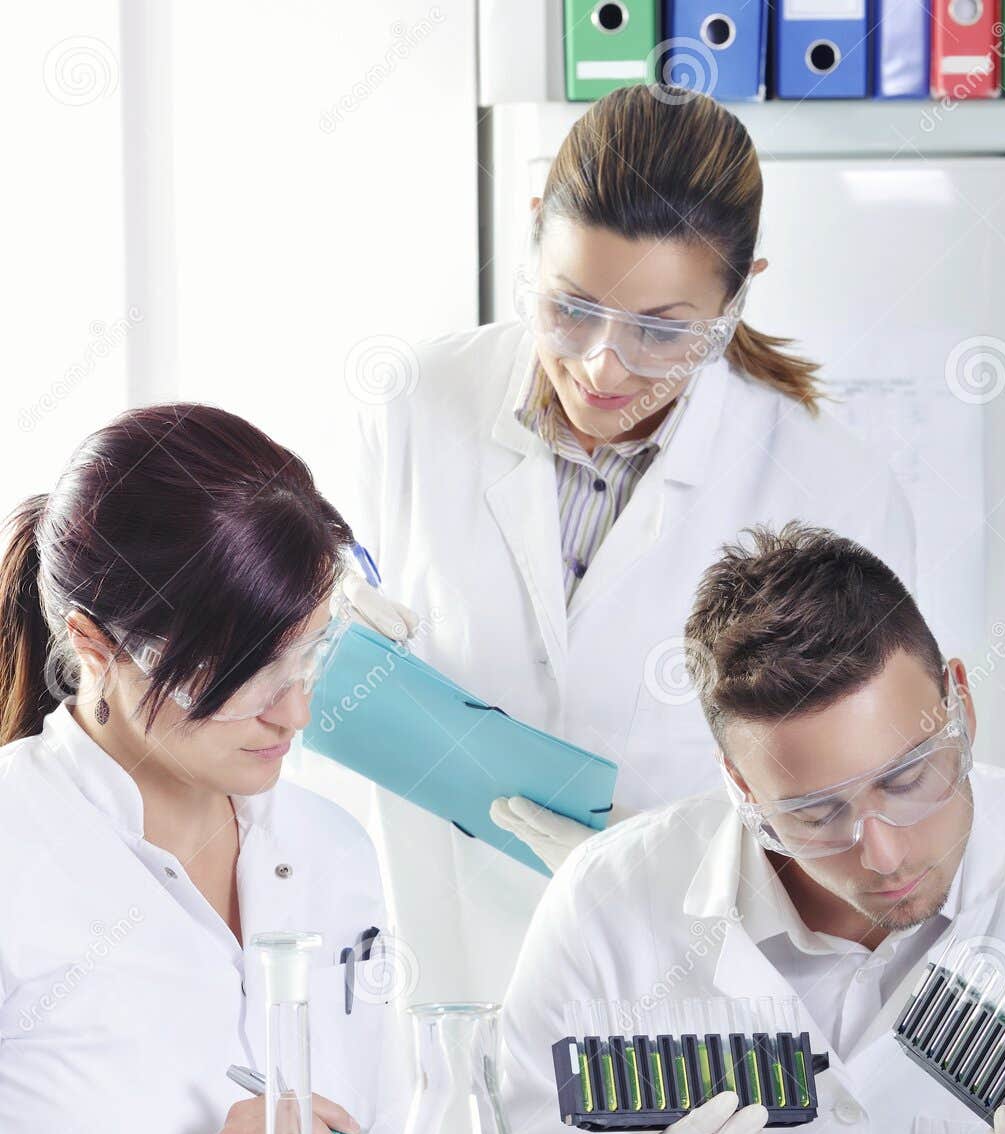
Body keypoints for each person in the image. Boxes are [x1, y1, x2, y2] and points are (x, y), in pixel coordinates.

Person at [341, 86, 915, 1005]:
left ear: (735, 299)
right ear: (534, 235)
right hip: (441, 982)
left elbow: (866, 813)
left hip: (683, 1002)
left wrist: (651, 873)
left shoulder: (830, 486)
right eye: (571, 309)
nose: (604, 366)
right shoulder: (417, 406)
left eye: (660, 330)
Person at [499, 523, 1005, 1134]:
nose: (883, 855)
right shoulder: (607, 904)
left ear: (958, 702)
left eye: (907, 780)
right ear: (739, 785)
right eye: (815, 812)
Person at [0, 404, 407, 1134]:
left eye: (308, 655)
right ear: (96, 645)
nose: (293, 714)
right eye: (244, 679)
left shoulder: (334, 852)